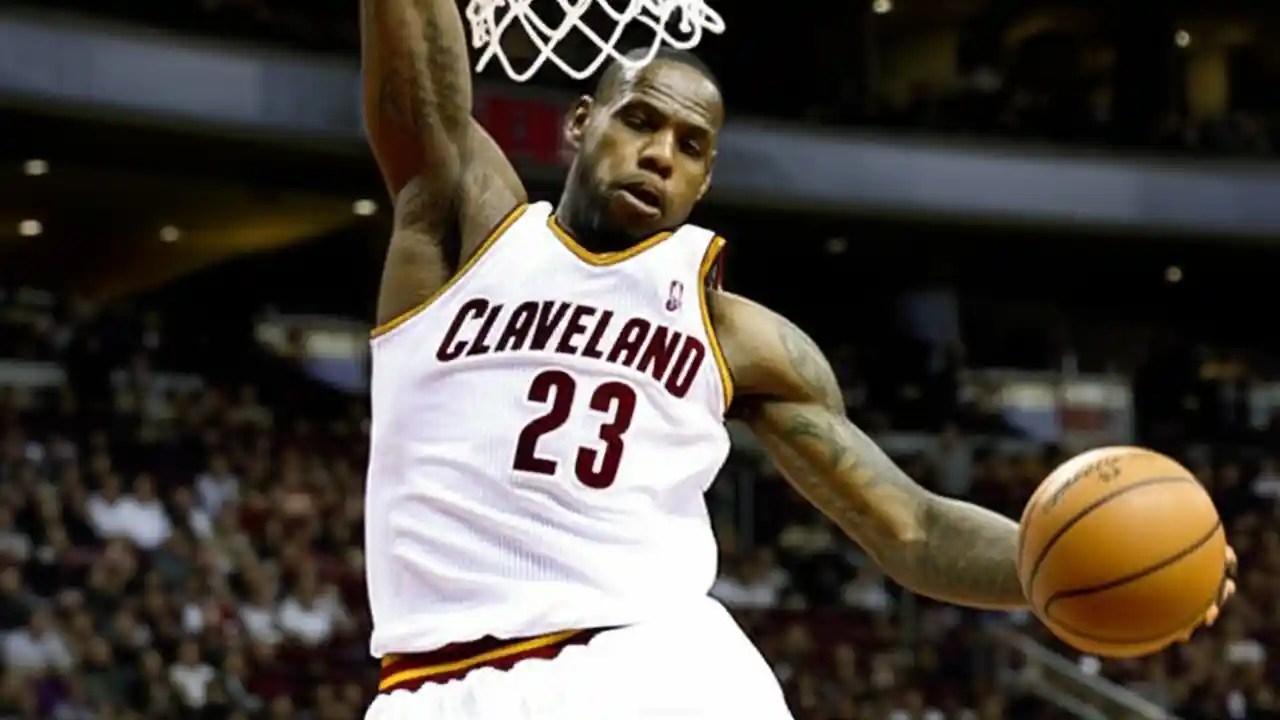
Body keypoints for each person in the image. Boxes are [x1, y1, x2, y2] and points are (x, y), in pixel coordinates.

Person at [358, 1, 1235, 717]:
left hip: (643, 672)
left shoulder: (739, 335)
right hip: (425, 687)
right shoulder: (469, 232)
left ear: (704, 183)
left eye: (690, 146)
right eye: (639, 122)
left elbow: (913, 528)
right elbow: (423, 94)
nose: (661, 153)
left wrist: (1065, 573)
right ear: (580, 125)